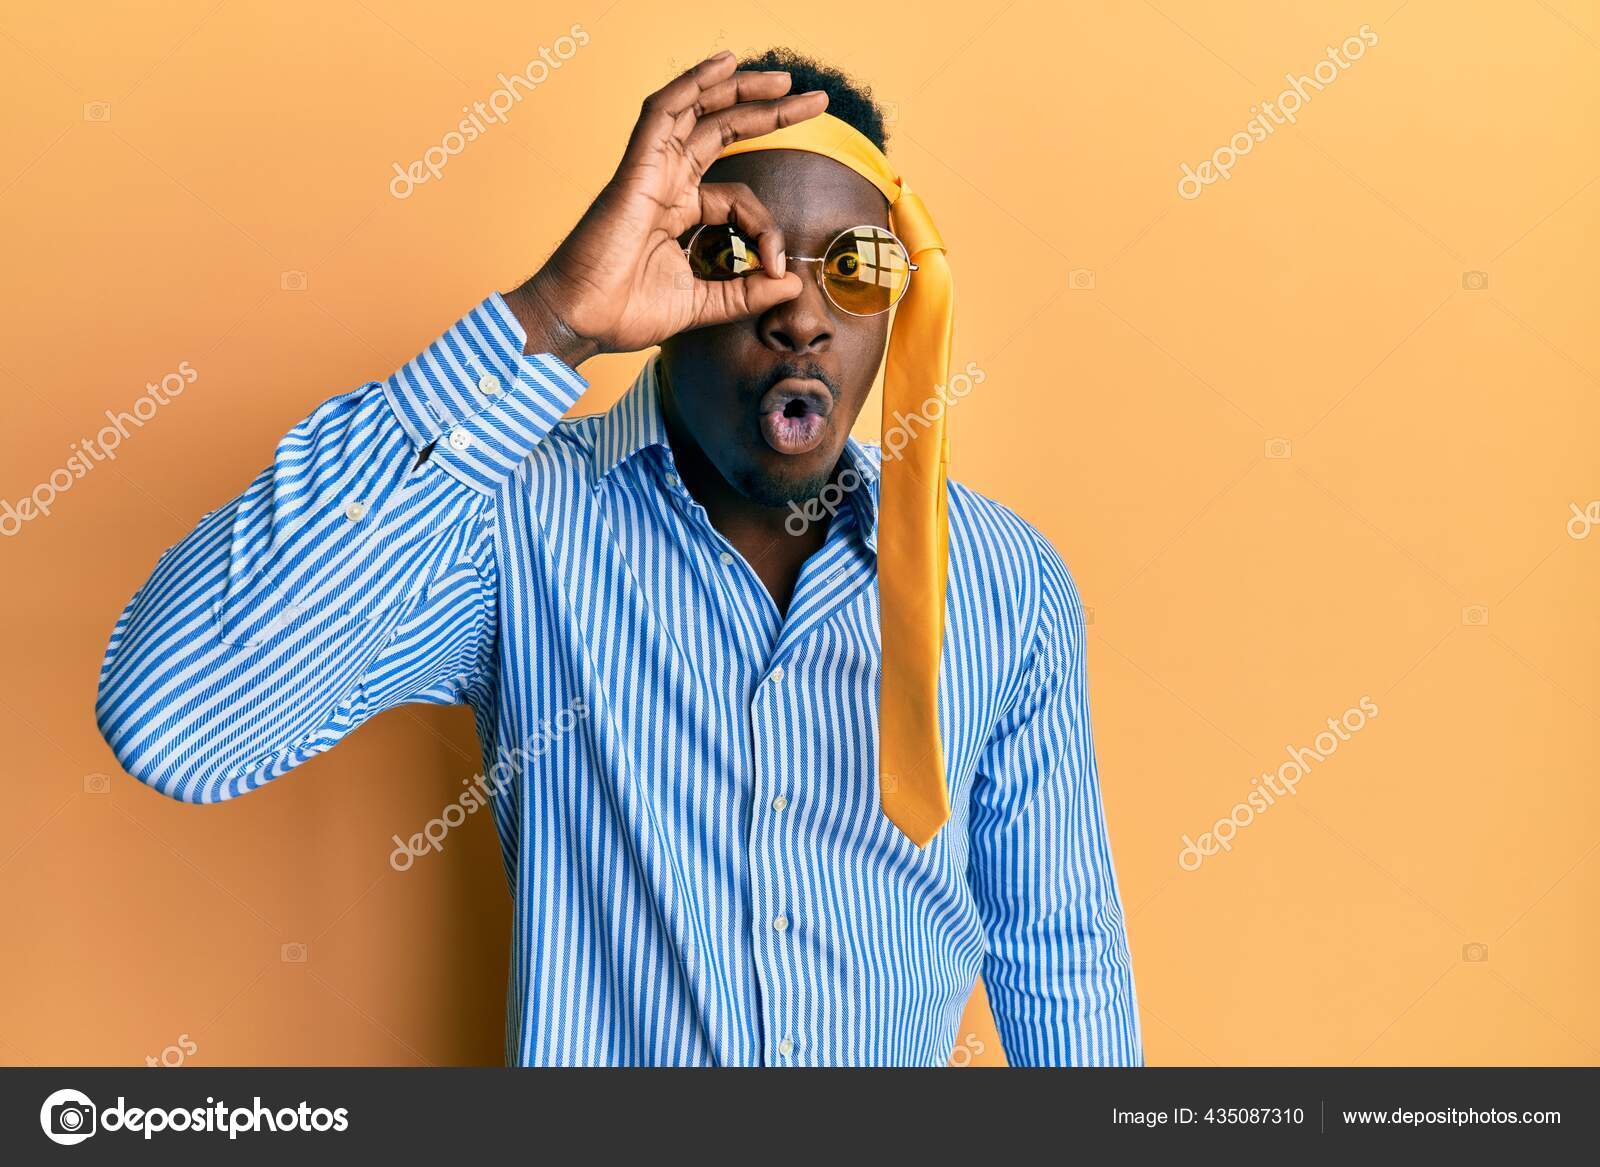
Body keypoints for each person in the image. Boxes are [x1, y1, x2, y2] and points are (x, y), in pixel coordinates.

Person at [96, 47, 1141, 1067]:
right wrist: (551, 320)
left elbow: (1061, 954)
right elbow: (178, 723)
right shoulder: (514, 523)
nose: (800, 316)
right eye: (735, 254)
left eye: (853, 269)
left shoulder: (1004, 582)